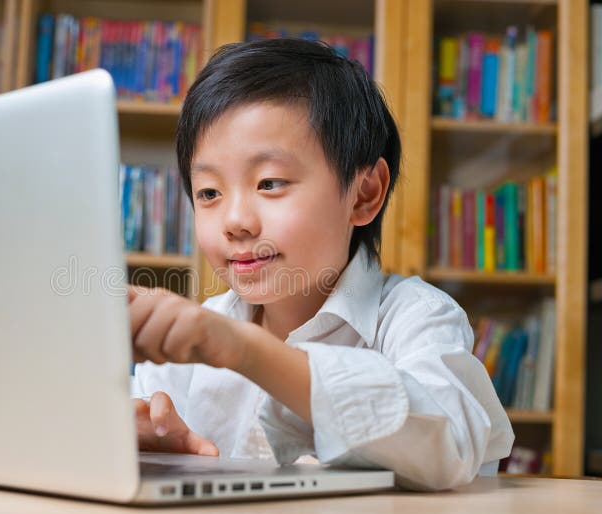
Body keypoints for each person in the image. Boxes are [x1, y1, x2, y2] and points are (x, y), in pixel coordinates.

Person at [127, 38, 514, 491]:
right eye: (209, 193)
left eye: (269, 183)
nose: (234, 222)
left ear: (364, 193)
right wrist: (150, 447)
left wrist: (247, 351)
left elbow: (446, 448)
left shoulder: (417, 317)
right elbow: (139, 433)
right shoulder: (192, 341)